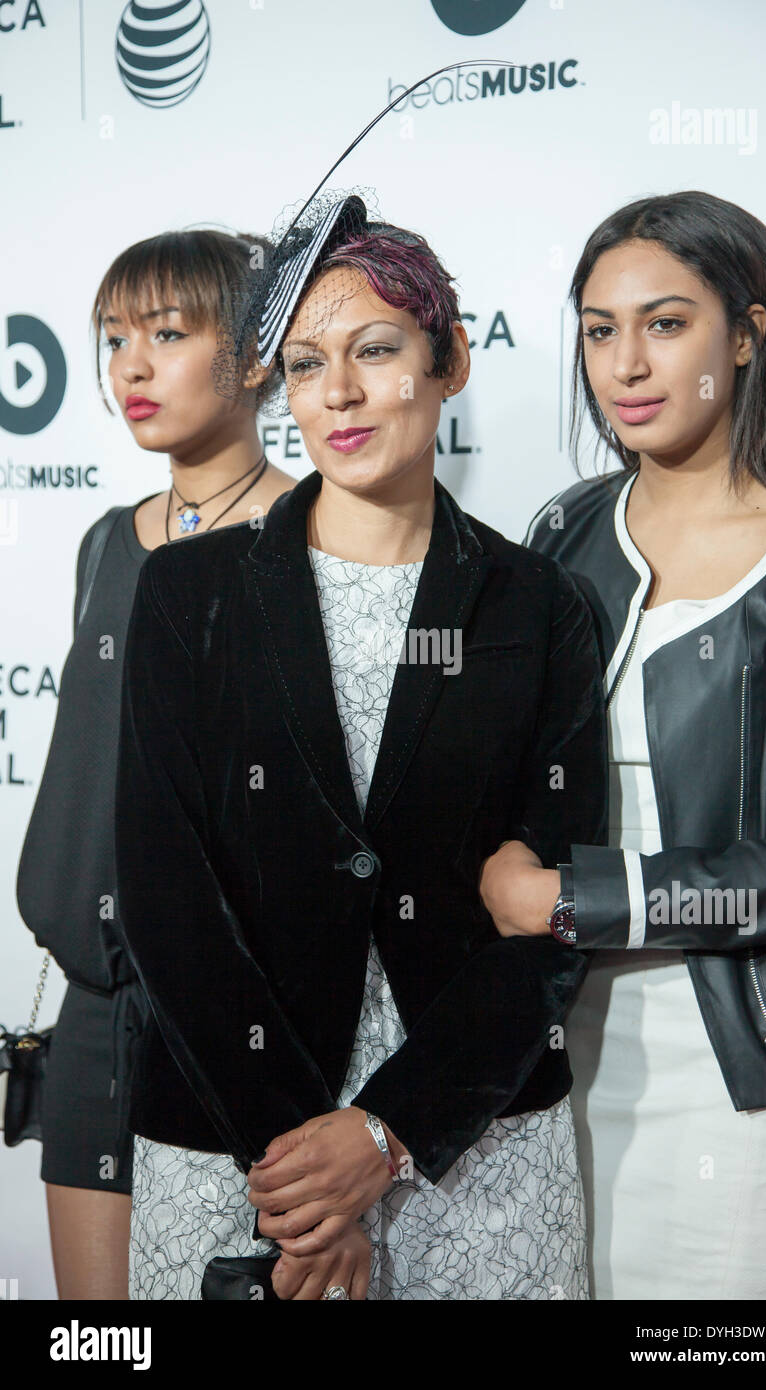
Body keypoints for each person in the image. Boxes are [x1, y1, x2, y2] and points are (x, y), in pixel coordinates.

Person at [115, 193, 608, 1301]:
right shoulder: (188, 593)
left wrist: (386, 1132)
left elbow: (556, 908)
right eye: (301, 363)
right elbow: (162, 891)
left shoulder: (538, 604)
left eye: (375, 349)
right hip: (233, 1138)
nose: (334, 392)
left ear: (451, 361)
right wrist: (300, 1170)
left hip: (470, 1145)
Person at [479, 189, 766, 1300]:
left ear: (747, 332)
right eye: (597, 328)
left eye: (665, 324)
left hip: (734, 1070)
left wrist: (565, 899)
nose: (624, 362)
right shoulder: (562, 532)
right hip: (535, 1064)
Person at [16, 228, 294, 1300]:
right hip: (93, 1006)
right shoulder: (103, 539)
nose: (130, 366)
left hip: (235, 1017)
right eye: (115, 337)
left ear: (256, 356)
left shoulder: (306, 537)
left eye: (168, 334)